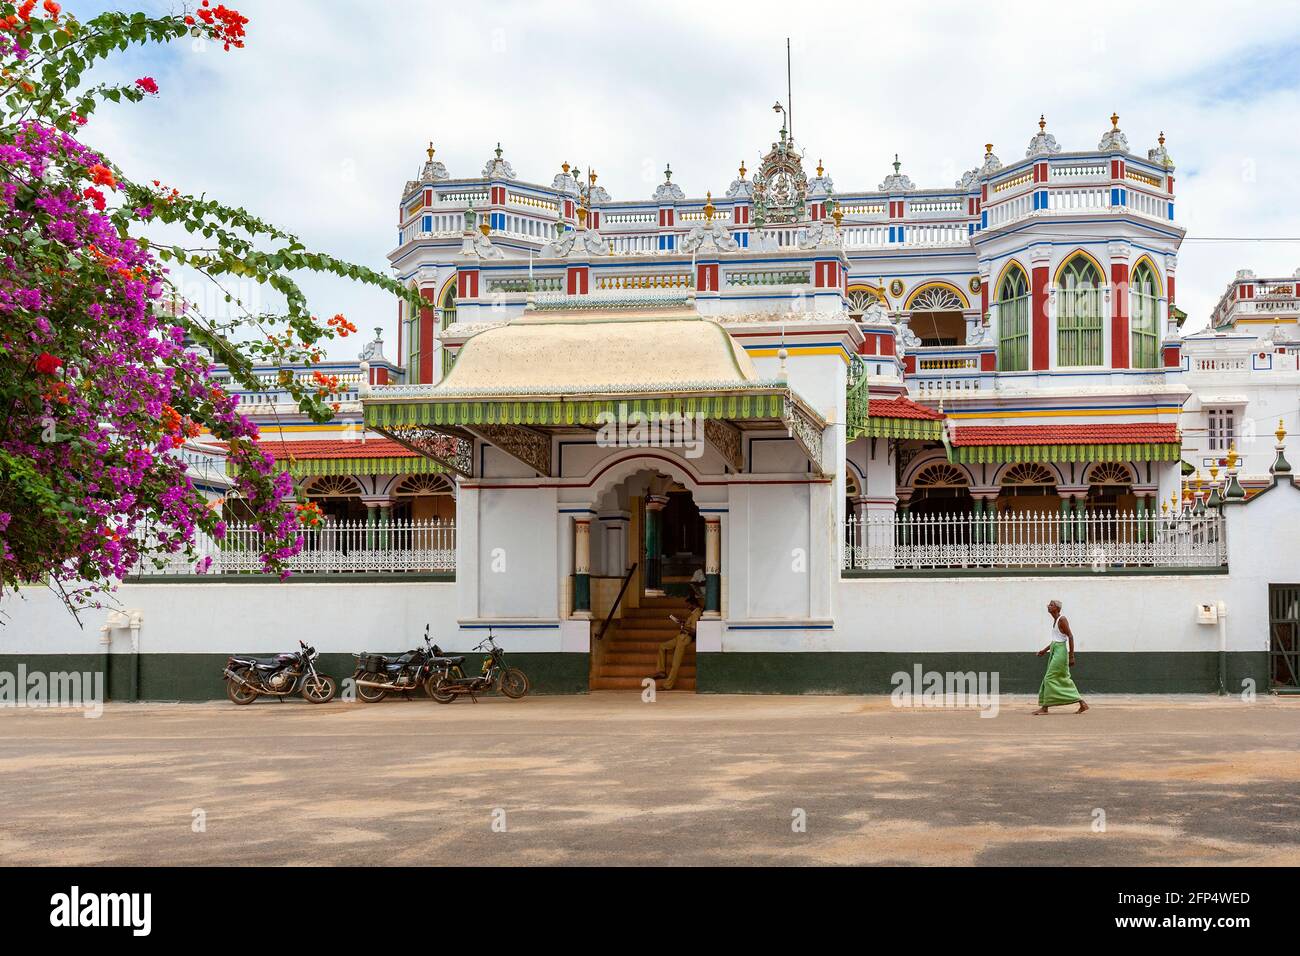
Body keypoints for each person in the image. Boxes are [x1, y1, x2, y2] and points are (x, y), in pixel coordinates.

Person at [1034, 599, 1089, 715]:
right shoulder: (1055, 621)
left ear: (1057, 608)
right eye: (1049, 604)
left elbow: (1070, 636)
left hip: (1060, 653)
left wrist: (1072, 656)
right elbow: (1056, 640)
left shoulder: (1062, 619)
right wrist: (1044, 651)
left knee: (1049, 678)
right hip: (1055, 650)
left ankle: (1045, 708)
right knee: (1059, 678)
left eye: (1051, 605)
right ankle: (1082, 703)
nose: (1048, 606)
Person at [651, 592, 701, 691]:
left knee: (675, 663)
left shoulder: (697, 613)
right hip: (680, 637)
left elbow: (694, 631)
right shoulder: (694, 613)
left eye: (688, 605)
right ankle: (661, 671)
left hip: (684, 639)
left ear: (693, 604)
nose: (687, 607)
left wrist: (684, 627)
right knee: (662, 646)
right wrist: (683, 623)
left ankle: (667, 685)